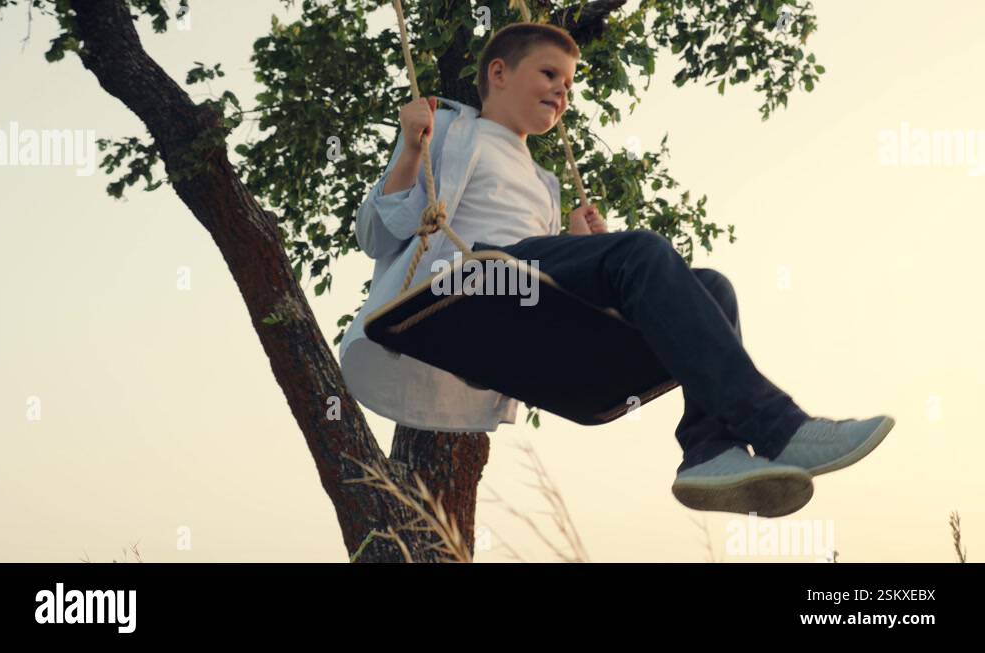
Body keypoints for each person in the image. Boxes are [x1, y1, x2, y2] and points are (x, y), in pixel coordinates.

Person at [338, 22, 895, 517]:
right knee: (642, 251)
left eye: (569, 84)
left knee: (711, 287)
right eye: (549, 73)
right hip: (471, 283)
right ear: (500, 73)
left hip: (519, 293)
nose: (562, 90)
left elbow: (533, 260)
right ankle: (779, 427)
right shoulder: (452, 132)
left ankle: (709, 452)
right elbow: (378, 234)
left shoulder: (544, 182)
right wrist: (410, 149)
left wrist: (577, 249)